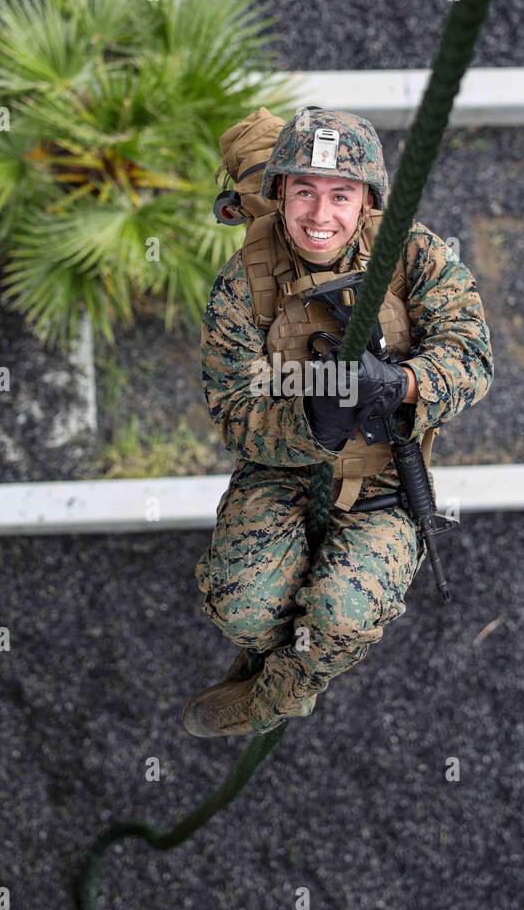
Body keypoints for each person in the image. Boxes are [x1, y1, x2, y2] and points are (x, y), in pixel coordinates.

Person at [183, 105, 494, 737]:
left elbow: (473, 355)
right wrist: (309, 425)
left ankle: (277, 692)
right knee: (242, 609)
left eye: (340, 195)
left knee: (342, 615)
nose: (320, 216)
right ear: (279, 193)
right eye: (304, 192)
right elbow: (233, 408)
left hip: (383, 480)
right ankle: (268, 648)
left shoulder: (410, 252)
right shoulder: (244, 283)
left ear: (366, 201)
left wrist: (403, 382)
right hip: (282, 470)